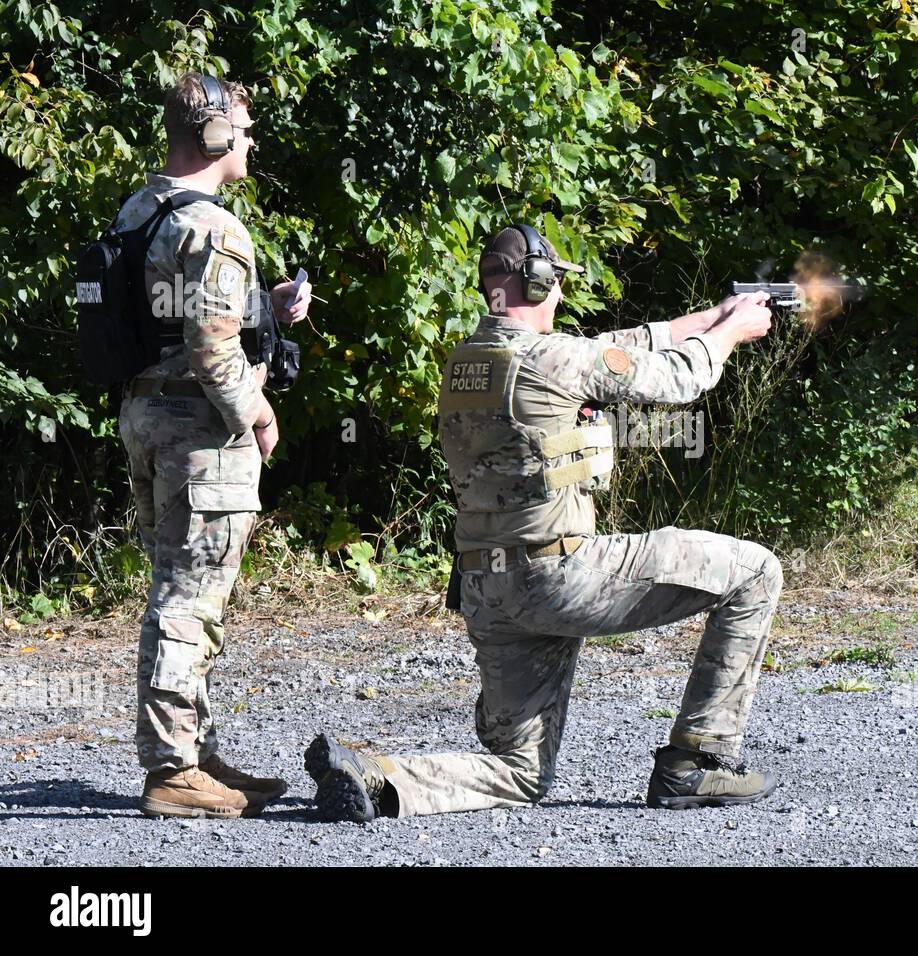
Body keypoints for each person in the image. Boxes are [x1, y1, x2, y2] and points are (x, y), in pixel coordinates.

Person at [307, 223, 782, 821]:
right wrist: (732, 335)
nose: (559, 294)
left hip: (488, 585)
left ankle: (379, 776)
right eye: (555, 283)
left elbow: (616, 346)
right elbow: (680, 379)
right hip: (560, 574)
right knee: (756, 572)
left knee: (521, 773)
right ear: (537, 282)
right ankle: (698, 762)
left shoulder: (469, 360)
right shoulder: (558, 358)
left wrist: (712, 316)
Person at [118, 73, 310, 819]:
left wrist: (269, 308)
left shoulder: (143, 210)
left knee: (182, 586)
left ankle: (193, 751)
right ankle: (171, 769)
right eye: (245, 127)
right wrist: (257, 414)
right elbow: (210, 349)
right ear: (215, 135)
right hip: (202, 430)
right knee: (187, 598)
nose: (252, 140)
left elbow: (176, 322)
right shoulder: (215, 227)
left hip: (149, 417)